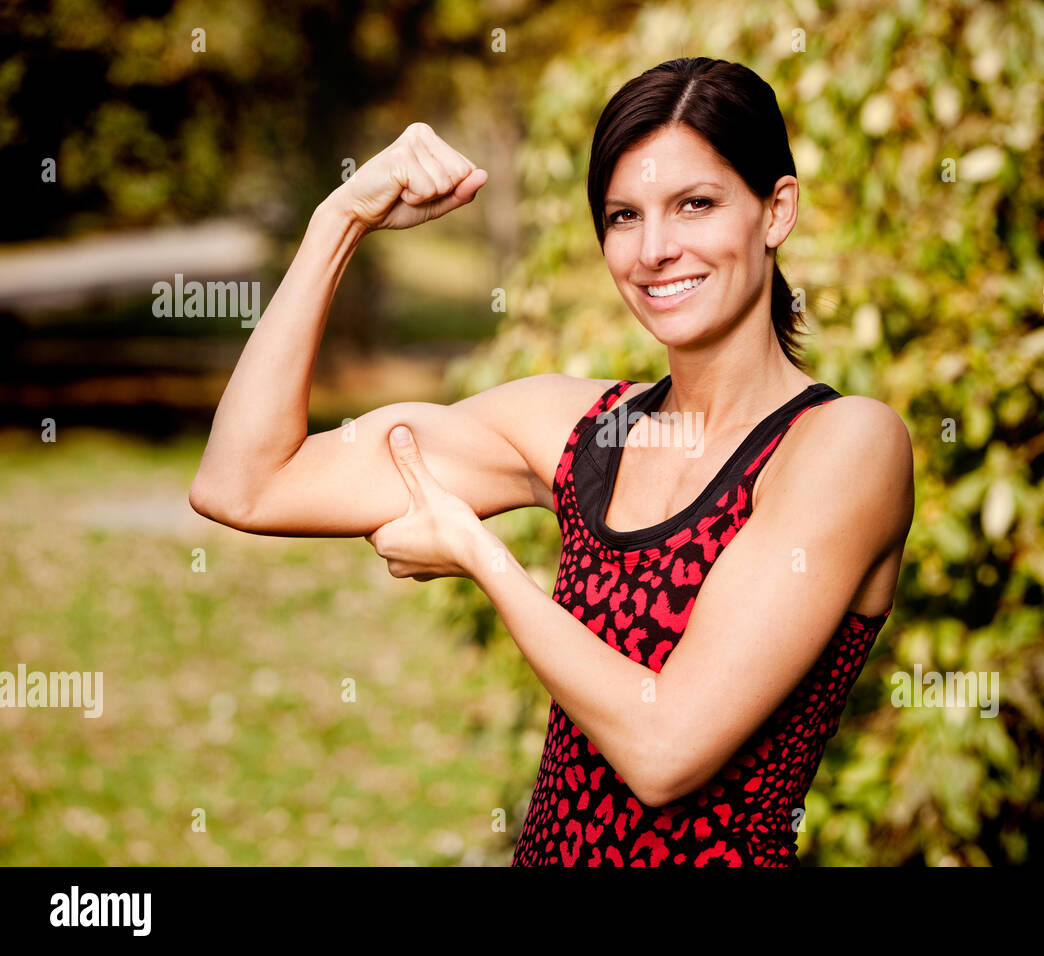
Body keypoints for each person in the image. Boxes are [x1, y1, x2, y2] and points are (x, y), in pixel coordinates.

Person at [189, 56, 914, 866]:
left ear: (775, 211)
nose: (656, 250)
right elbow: (243, 483)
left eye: (696, 205)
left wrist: (479, 554)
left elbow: (666, 752)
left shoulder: (847, 444)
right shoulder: (577, 429)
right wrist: (340, 220)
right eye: (624, 216)